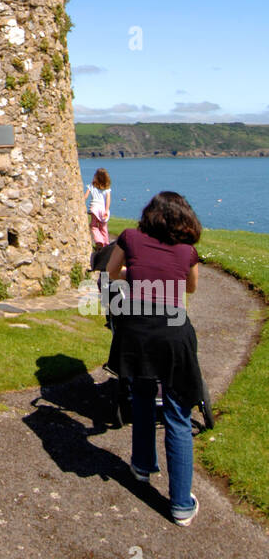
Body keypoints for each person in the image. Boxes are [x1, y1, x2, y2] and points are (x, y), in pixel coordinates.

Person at [105, 191, 201, 526]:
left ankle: (142, 465)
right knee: (177, 413)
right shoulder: (188, 252)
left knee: (143, 397)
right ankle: (180, 505)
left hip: (137, 331)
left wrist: (136, 274)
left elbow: (111, 271)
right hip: (173, 334)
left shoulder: (130, 237)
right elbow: (190, 289)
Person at [84, 168, 112, 251]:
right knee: (103, 227)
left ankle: (99, 241)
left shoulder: (91, 186)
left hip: (94, 208)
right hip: (102, 209)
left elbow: (85, 197)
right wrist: (106, 210)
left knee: (93, 226)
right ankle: (106, 243)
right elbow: (108, 199)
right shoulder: (107, 188)